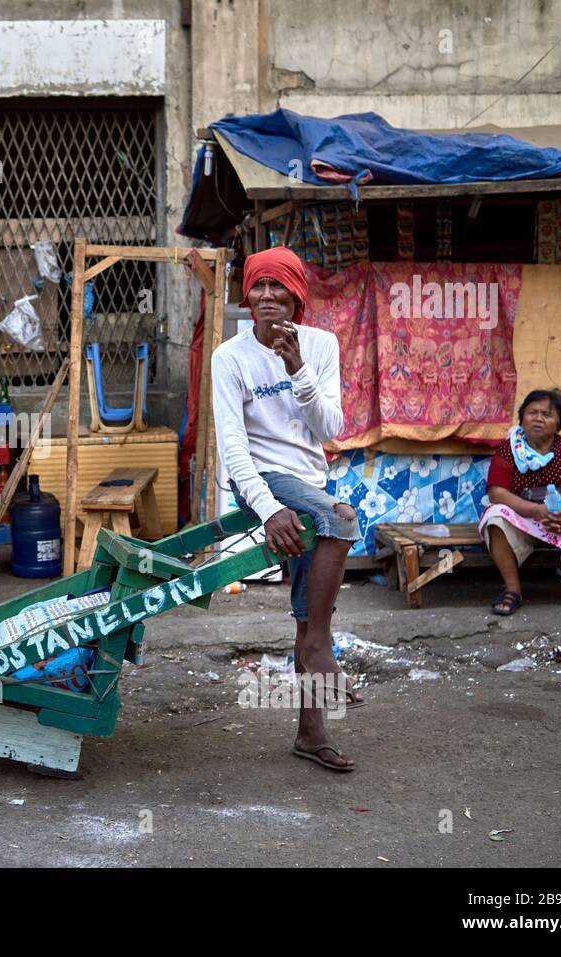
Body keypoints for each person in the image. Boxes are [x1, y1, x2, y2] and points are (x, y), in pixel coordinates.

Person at [212, 245, 360, 774]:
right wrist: (270, 507)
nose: (268, 296)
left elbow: (330, 430)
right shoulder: (229, 358)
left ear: (298, 295)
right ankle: (323, 643)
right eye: (258, 287)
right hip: (263, 482)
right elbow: (232, 450)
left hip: (309, 484)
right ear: (246, 295)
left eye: (279, 287)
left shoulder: (320, 345)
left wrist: (297, 368)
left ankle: (309, 733)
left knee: (305, 612)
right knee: (341, 518)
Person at [479, 389, 561, 615]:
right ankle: (512, 590)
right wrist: (537, 510)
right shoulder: (509, 449)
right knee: (495, 516)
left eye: (547, 414)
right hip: (525, 514)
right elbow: (497, 492)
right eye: (532, 413)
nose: (538, 418)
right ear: (522, 418)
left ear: (559, 423)